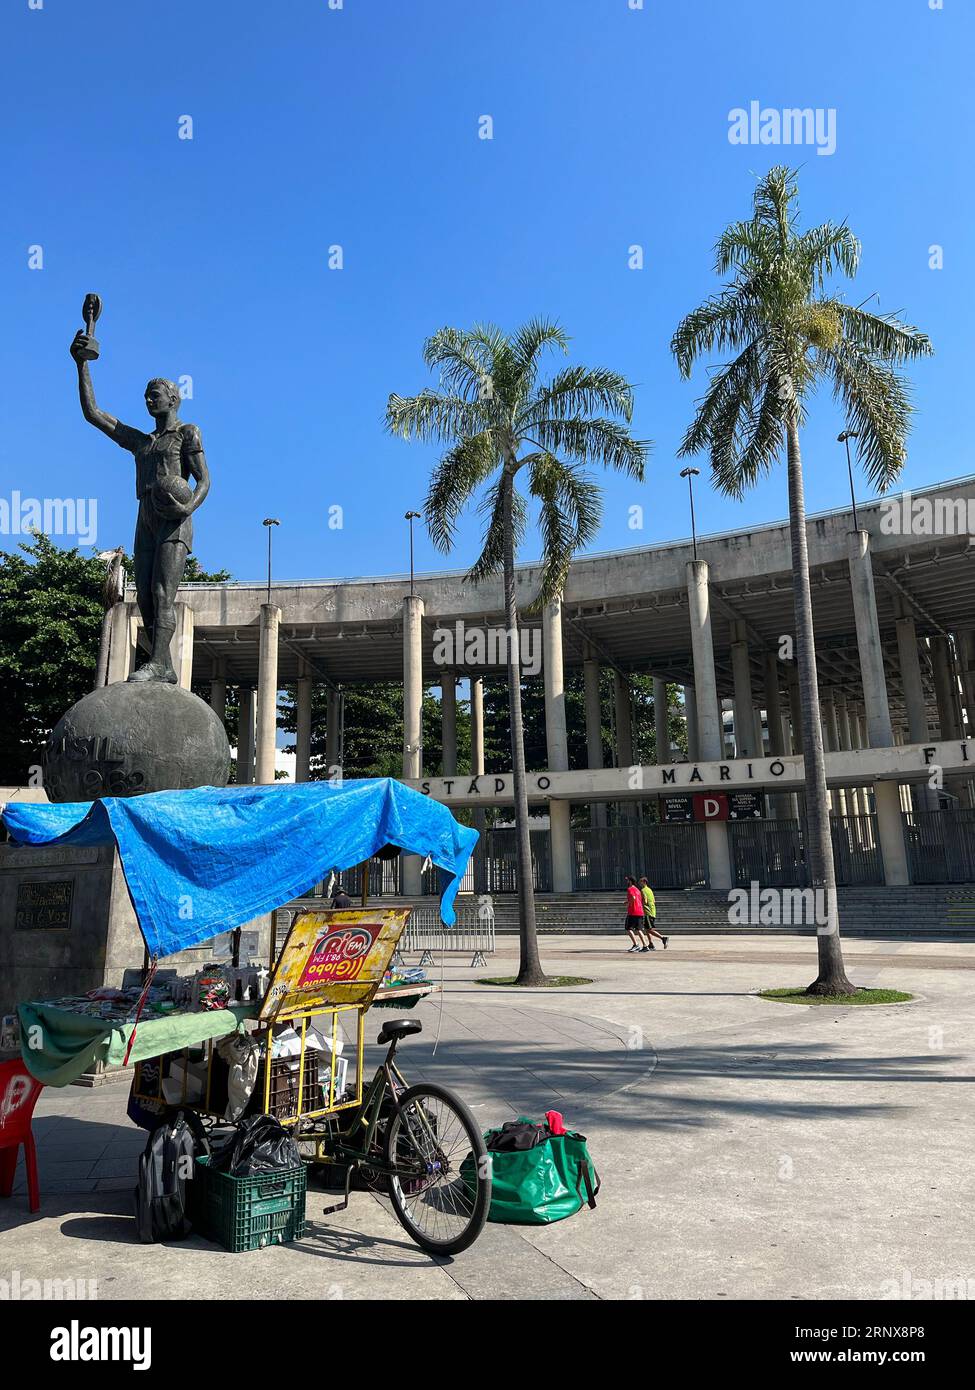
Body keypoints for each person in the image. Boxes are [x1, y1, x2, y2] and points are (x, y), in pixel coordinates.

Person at [639, 877, 669, 949]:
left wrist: (640, 904)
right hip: (653, 911)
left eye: (641, 882)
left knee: (649, 929)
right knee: (647, 929)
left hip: (647, 912)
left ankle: (663, 938)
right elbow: (654, 901)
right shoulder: (650, 890)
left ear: (644, 882)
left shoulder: (643, 890)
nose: (640, 883)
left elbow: (645, 901)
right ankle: (651, 944)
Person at [623, 876, 650, 953]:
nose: (627, 882)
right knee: (639, 929)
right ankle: (645, 946)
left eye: (628, 880)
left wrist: (629, 904)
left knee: (628, 928)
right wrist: (628, 901)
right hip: (640, 911)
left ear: (630, 881)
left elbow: (633, 897)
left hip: (633, 912)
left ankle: (636, 945)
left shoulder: (630, 889)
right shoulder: (638, 890)